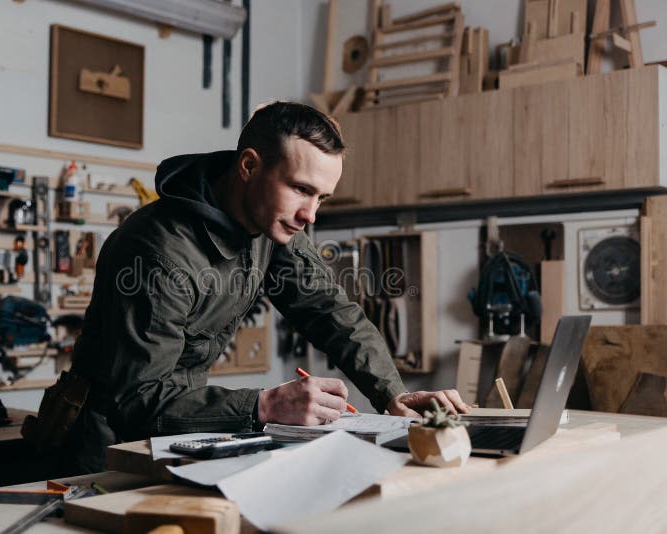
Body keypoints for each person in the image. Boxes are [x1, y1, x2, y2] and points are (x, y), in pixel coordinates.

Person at [61, 101, 469, 473]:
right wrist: (267, 405)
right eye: (301, 189)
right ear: (249, 166)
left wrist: (392, 396)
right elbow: (135, 402)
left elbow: (332, 312)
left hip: (179, 434)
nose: (310, 215)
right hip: (106, 449)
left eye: (322, 197)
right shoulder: (156, 253)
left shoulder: (269, 226)